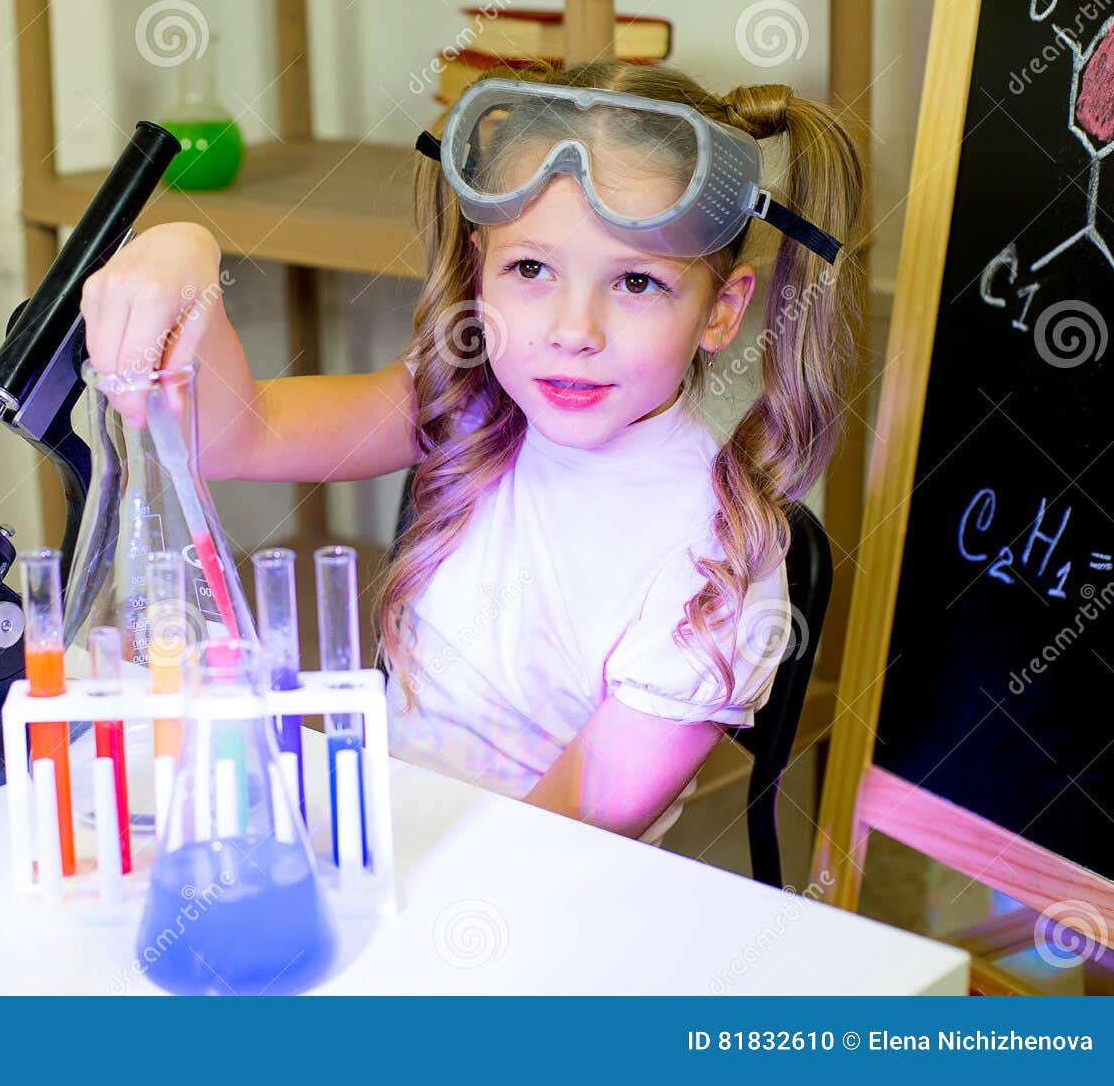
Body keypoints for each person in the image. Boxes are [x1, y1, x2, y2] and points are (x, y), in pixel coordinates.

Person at [79, 59, 864, 845]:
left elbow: (545, 850)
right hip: (388, 854)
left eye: (636, 283)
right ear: (479, 271)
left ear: (721, 312)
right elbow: (232, 436)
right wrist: (183, 254)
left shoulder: (715, 562)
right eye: (530, 269)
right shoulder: (473, 406)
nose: (573, 331)